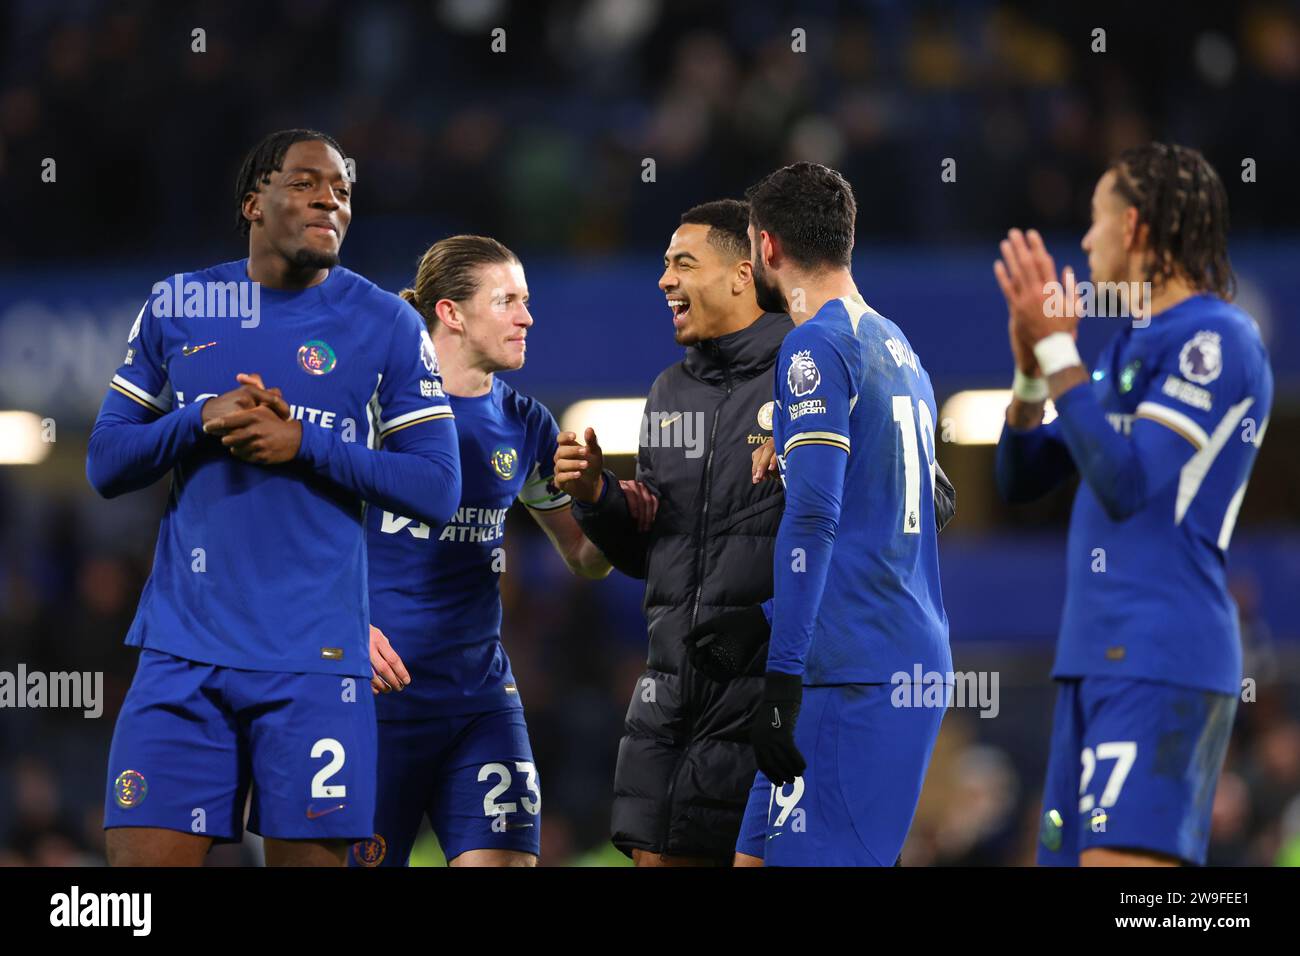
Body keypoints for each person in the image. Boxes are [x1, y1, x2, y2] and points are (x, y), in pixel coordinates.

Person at [87, 129, 461, 866]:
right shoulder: (181, 303)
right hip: (181, 655)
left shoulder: (386, 323)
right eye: (308, 183)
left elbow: (438, 487)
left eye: (344, 190)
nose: (331, 199)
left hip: (316, 665)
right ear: (254, 202)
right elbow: (105, 461)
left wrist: (308, 447)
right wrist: (198, 419)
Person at [993, 143, 1273, 866]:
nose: (1085, 241)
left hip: (1161, 653)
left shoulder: (1215, 339)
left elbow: (1126, 485)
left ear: (1139, 228)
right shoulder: (1126, 349)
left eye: (1097, 219)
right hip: (1092, 658)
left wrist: (1061, 354)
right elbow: (1021, 480)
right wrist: (1031, 374)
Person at [352, 236, 611, 868]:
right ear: (451, 313)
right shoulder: (370, 404)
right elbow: (291, 533)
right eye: (508, 301)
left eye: (527, 301)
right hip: (372, 698)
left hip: (480, 702)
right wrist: (339, 624)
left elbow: (585, 558)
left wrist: (601, 499)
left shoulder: (526, 422)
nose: (527, 317)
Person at [725, 162, 952, 866]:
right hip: (880, 650)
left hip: (852, 669)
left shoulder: (815, 345)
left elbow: (815, 520)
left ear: (767, 248)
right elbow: (937, 500)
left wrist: (781, 679)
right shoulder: (897, 345)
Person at [554, 200, 791, 865]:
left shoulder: (811, 372)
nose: (664, 280)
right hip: (667, 704)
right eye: (663, 264)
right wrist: (596, 496)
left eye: (683, 263)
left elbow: (914, 505)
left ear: (743, 274)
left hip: (760, 706)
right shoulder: (668, 393)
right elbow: (653, 551)